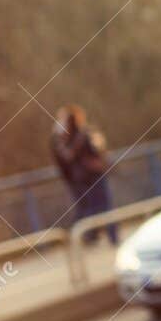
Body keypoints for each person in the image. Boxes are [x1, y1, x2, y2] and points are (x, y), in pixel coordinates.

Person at [51, 105, 118, 245]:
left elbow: (95, 150)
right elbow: (68, 157)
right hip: (85, 178)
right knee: (96, 207)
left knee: (96, 207)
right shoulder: (71, 137)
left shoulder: (78, 135)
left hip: (87, 177)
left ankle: (100, 236)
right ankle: (97, 236)